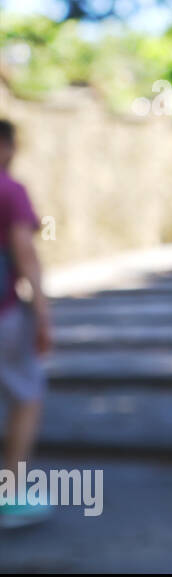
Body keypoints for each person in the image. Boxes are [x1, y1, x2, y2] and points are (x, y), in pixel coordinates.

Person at [0, 119, 52, 529]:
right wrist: (43, 315)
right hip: (5, 315)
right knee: (27, 394)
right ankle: (11, 493)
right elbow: (25, 254)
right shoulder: (10, 191)